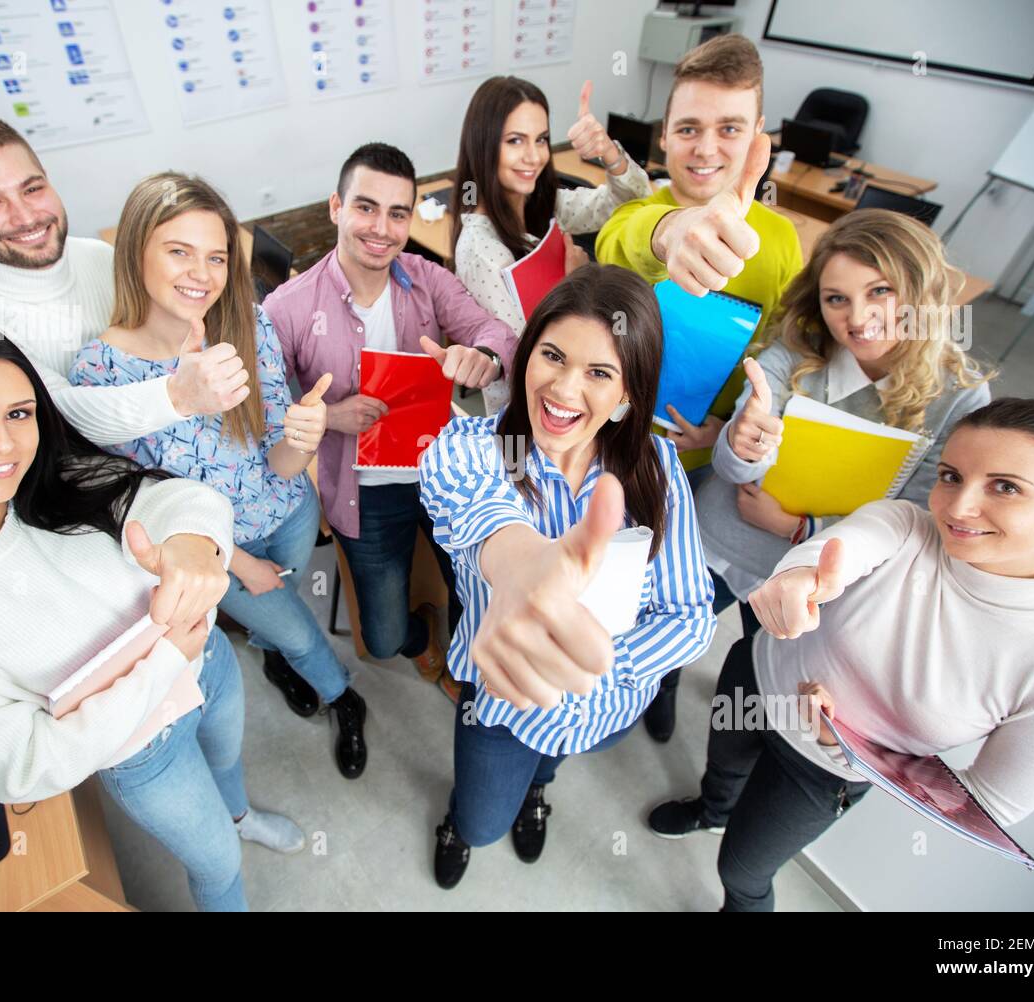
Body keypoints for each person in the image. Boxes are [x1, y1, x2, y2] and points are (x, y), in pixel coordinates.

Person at [0, 318, 307, 913]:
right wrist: (166, 657)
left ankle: (241, 812)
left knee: (227, 761)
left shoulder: (52, 481)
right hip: (138, 747)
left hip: (210, 668)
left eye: (19, 413)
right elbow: (23, 767)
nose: (3, 443)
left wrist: (194, 542)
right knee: (217, 864)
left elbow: (176, 498)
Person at [647, 398, 1034, 911]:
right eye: (952, 476)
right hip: (756, 677)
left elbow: (985, 807)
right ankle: (712, 811)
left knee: (743, 870)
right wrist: (796, 579)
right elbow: (840, 551)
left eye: (1005, 487)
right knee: (723, 771)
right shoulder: (907, 523)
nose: (957, 507)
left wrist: (850, 746)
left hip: (824, 773)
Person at [418, 264, 716, 889]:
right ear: (525, 357)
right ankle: (461, 824)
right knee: (480, 820)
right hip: (500, 709)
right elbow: (487, 517)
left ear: (629, 395)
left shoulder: (657, 467)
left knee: (549, 766)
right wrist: (524, 561)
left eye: (599, 373)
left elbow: (689, 615)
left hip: (605, 710)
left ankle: (539, 789)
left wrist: (598, 666)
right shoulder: (471, 448)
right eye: (551, 355)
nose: (563, 388)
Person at [647, 209, 993, 741]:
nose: (858, 318)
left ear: (920, 291)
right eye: (837, 299)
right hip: (718, 534)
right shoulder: (796, 348)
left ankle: (716, 795)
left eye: (880, 292)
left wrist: (796, 529)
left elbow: (924, 515)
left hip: (807, 566)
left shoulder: (961, 395)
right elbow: (729, 469)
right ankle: (664, 685)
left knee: (755, 682)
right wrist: (744, 442)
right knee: (666, 636)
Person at [69, 173, 367, 779]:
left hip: (288, 513)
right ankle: (345, 697)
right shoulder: (101, 372)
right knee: (303, 632)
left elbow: (279, 460)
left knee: (284, 611)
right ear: (136, 252)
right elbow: (139, 503)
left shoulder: (247, 324)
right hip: (216, 554)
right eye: (179, 251)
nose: (201, 274)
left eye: (216, 257)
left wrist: (300, 441)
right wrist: (237, 561)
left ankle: (274, 654)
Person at [263, 143, 518, 700]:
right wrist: (330, 416)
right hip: (364, 495)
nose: (382, 228)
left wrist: (486, 358)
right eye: (366, 208)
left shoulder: (427, 277)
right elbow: (258, 415)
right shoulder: (287, 307)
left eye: (398, 213)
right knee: (381, 640)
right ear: (335, 207)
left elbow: (498, 334)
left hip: (445, 477)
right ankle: (418, 636)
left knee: (475, 588)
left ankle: (467, 659)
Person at [0, 107, 247, 446]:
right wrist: (179, 396)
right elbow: (54, 415)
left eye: (32, 189)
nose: (26, 216)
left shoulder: (99, 256)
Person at [595, 34, 803, 472]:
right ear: (665, 134)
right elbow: (617, 241)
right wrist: (670, 231)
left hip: (706, 459)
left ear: (757, 135)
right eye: (689, 128)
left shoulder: (783, 239)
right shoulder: (636, 215)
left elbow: (783, 350)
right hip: (606, 440)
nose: (706, 150)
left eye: (730, 129)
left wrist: (726, 431)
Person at [452, 76, 652, 410]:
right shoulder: (480, 248)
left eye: (541, 139)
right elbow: (525, 359)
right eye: (515, 141)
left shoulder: (544, 205)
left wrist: (607, 151)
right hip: (531, 416)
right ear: (483, 145)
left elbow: (632, 200)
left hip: (576, 398)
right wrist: (577, 282)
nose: (533, 156)